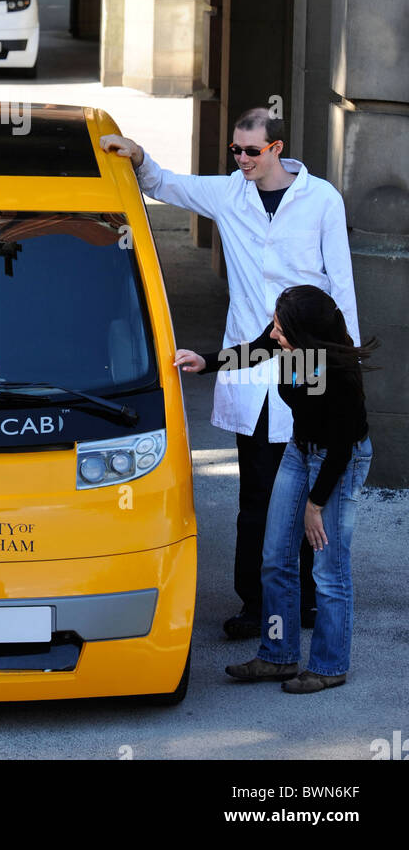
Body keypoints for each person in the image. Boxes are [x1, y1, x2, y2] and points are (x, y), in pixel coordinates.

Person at [101, 106, 359, 639]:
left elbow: (343, 288)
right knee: (257, 495)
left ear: (277, 149)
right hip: (251, 358)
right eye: (235, 151)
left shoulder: (322, 200)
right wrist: (140, 156)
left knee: (310, 485)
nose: (241, 159)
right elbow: (168, 185)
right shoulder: (229, 193)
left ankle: (307, 598)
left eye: (251, 151)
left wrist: (344, 365)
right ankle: (254, 602)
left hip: (307, 359)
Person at [175, 285, 374, 693]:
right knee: (275, 557)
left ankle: (329, 665)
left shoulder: (338, 374)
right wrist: (206, 361)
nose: (275, 334)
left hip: (338, 461)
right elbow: (256, 349)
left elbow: (339, 450)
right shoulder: (290, 343)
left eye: (282, 330)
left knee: (328, 569)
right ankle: (278, 656)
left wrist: (315, 505)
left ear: (306, 335)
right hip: (300, 451)